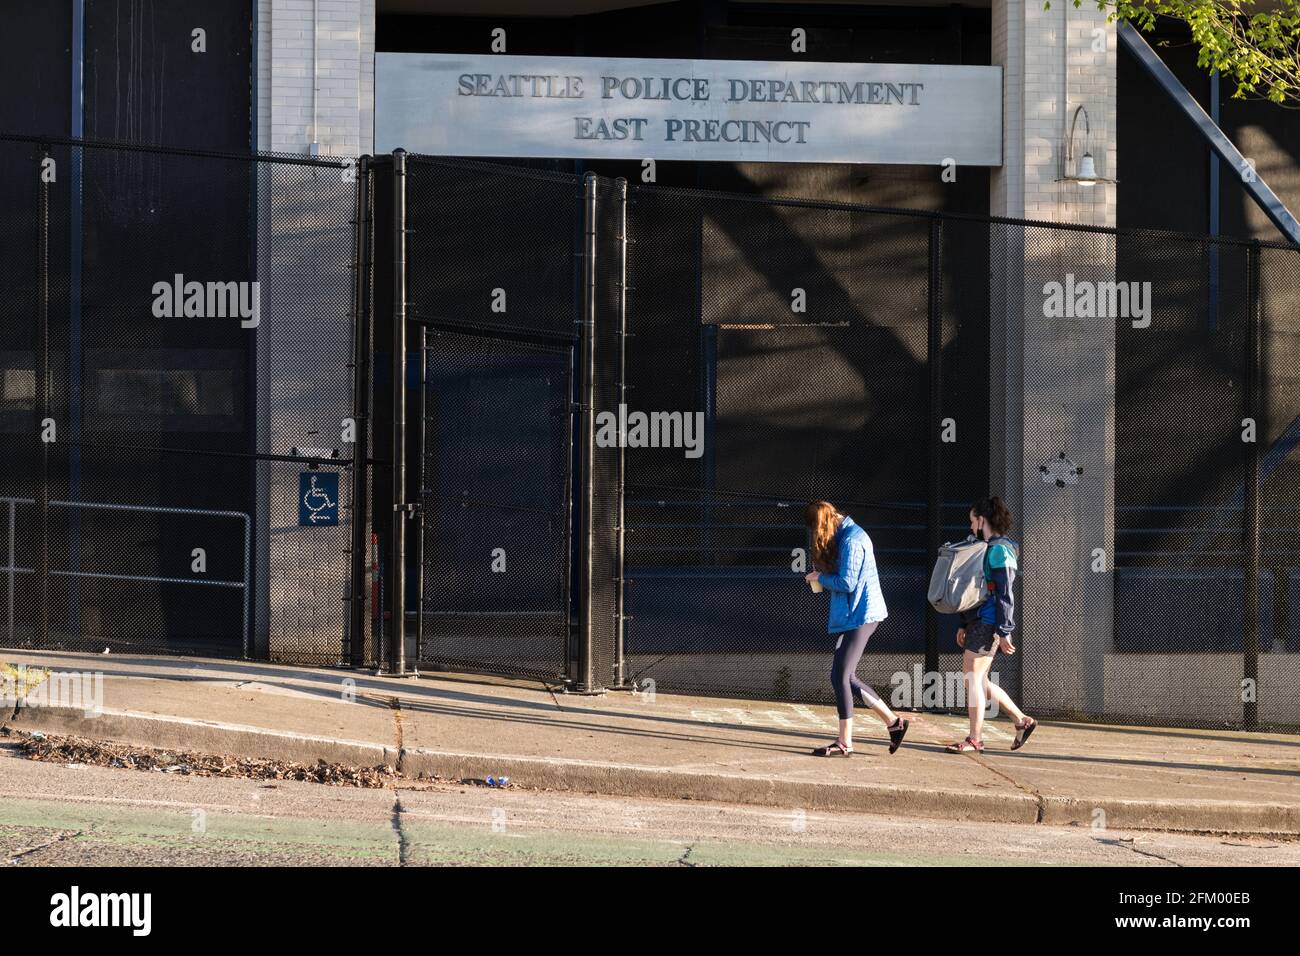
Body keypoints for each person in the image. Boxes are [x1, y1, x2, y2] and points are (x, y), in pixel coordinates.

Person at [802, 500, 909, 756]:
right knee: (845, 676)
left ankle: (845, 743)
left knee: (840, 676)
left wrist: (820, 578)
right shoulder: (847, 534)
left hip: (861, 615)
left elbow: (847, 582)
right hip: (858, 614)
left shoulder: (851, 539)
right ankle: (894, 724)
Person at [946, 495, 1037, 754]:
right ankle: (1022, 721)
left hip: (989, 623)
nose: (971, 526)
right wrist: (964, 624)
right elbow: (977, 590)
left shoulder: (999, 550)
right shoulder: (990, 548)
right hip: (980, 621)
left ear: (982, 520)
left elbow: (1005, 593)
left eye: (973, 521)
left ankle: (975, 738)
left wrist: (1004, 630)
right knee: (978, 680)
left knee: (972, 677)